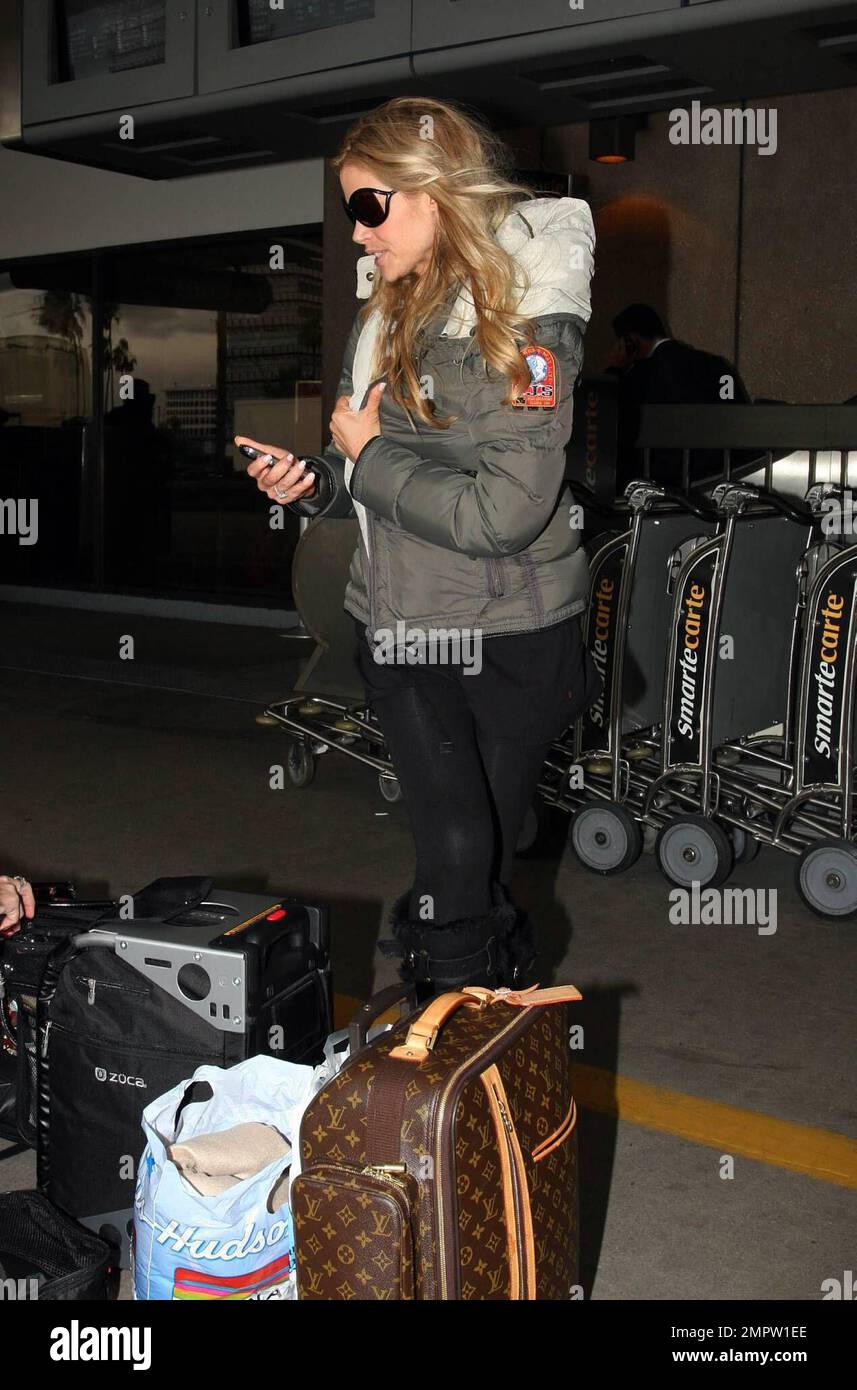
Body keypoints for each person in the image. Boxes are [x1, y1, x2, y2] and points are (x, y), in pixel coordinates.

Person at [237, 96, 598, 997]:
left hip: (514, 630)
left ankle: (478, 1027)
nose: (358, 234)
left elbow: (500, 515)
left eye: (371, 207)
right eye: (350, 210)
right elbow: (370, 460)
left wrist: (364, 463)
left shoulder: (528, 321)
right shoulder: (389, 309)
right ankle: (436, 1039)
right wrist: (318, 480)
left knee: (488, 853)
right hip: (401, 625)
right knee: (454, 843)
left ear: (436, 192)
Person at [608, 303, 752, 490]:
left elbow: (614, 421)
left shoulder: (639, 376)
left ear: (630, 342)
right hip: (721, 477)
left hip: (664, 484)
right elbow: (739, 419)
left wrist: (615, 369)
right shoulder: (718, 366)